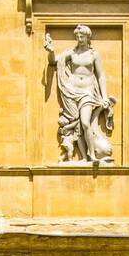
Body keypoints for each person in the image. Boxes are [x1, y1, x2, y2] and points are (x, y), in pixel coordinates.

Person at [44, 25, 116, 164]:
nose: (79, 39)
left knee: (85, 122)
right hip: (71, 91)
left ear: (88, 37)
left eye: (82, 36)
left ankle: (92, 155)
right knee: (77, 126)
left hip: (88, 92)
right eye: (77, 36)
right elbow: (53, 62)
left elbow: (101, 76)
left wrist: (104, 96)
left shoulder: (94, 55)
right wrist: (51, 51)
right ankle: (83, 157)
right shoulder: (71, 53)